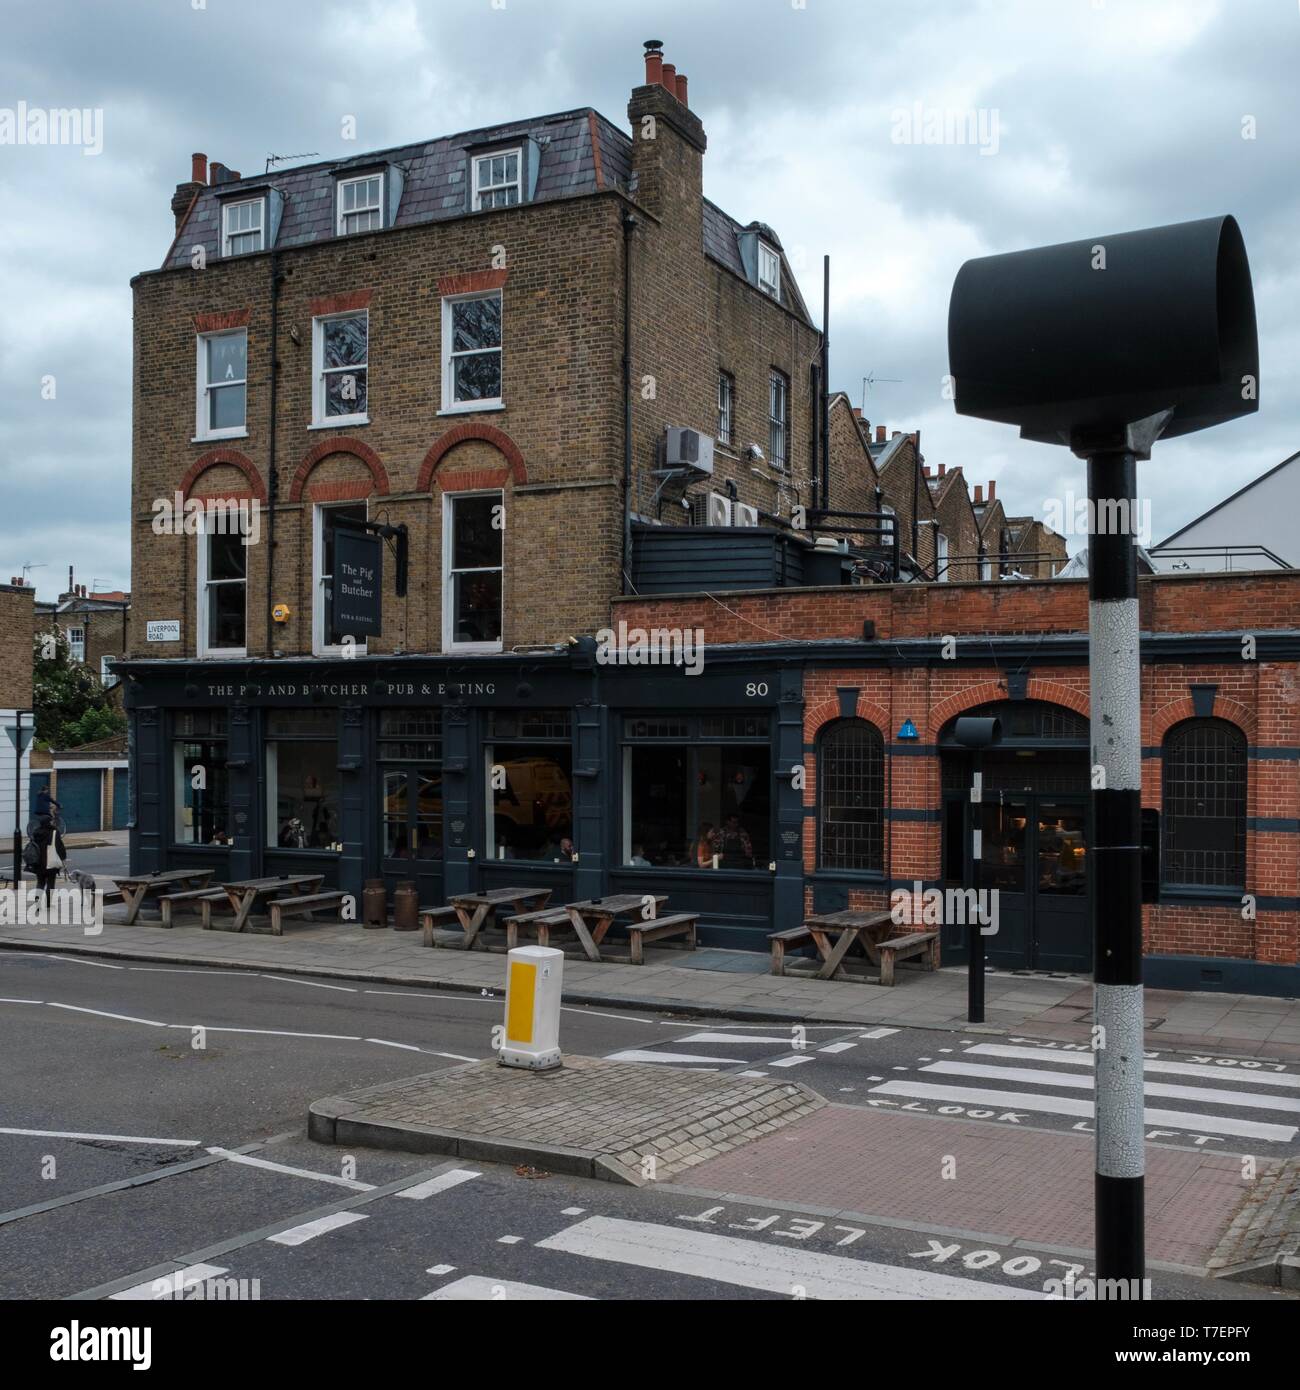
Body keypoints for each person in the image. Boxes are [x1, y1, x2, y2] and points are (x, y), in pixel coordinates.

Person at [24, 809, 68, 904]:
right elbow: (60, 847)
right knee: (51, 883)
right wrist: (63, 859)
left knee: (40, 882)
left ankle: (37, 902)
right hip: (50, 862)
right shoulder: (54, 832)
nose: (52, 822)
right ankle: (48, 903)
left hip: (39, 863)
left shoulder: (36, 833)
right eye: (51, 821)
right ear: (48, 822)